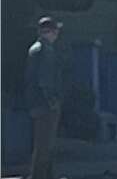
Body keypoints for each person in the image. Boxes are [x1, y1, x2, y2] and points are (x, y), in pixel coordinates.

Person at [25, 17, 63, 179]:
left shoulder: (34, 49)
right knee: (45, 146)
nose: (57, 34)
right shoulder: (45, 50)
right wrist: (52, 101)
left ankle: (46, 175)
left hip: (36, 103)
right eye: (55, 31)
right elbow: (44, 80)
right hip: (45, 105)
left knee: (42, 144)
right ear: (50, 32)